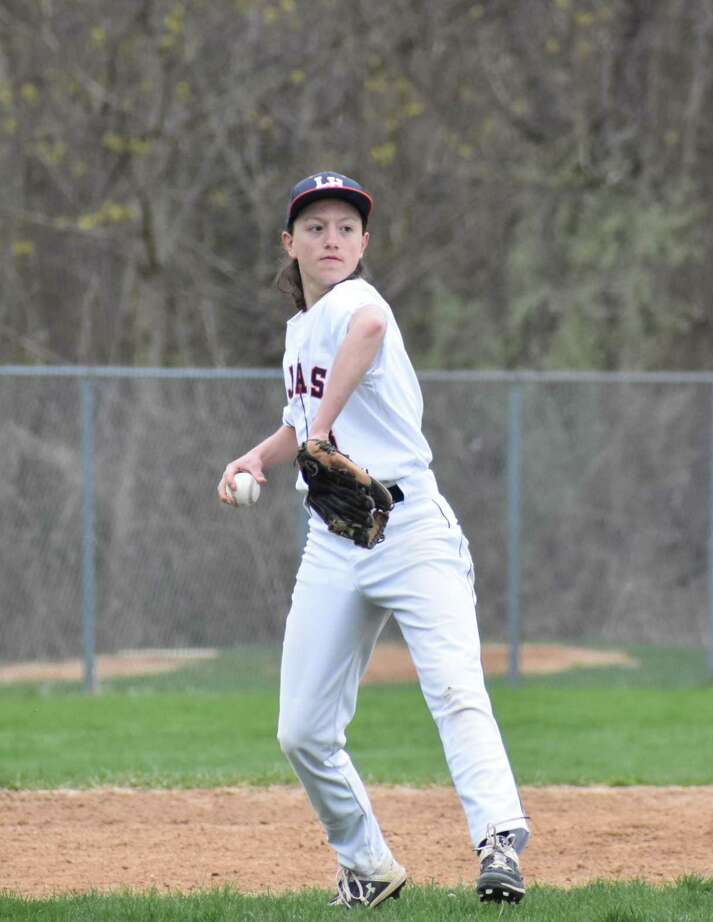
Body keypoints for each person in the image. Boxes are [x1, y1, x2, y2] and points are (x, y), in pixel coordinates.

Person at [217, 171, 530, 909]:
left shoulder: (357, 302)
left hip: (410, 527)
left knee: (455, 688)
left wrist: (320, 428)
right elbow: (303, 419)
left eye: (346, 228)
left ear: (363, 244)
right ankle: (365, 864)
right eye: (316, 227)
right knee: (301, 731)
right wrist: (261, 456)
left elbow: (367, 334)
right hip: (334, 541)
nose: (332, 239)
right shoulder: (301, 329)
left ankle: (498, 843)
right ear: (288, 244)